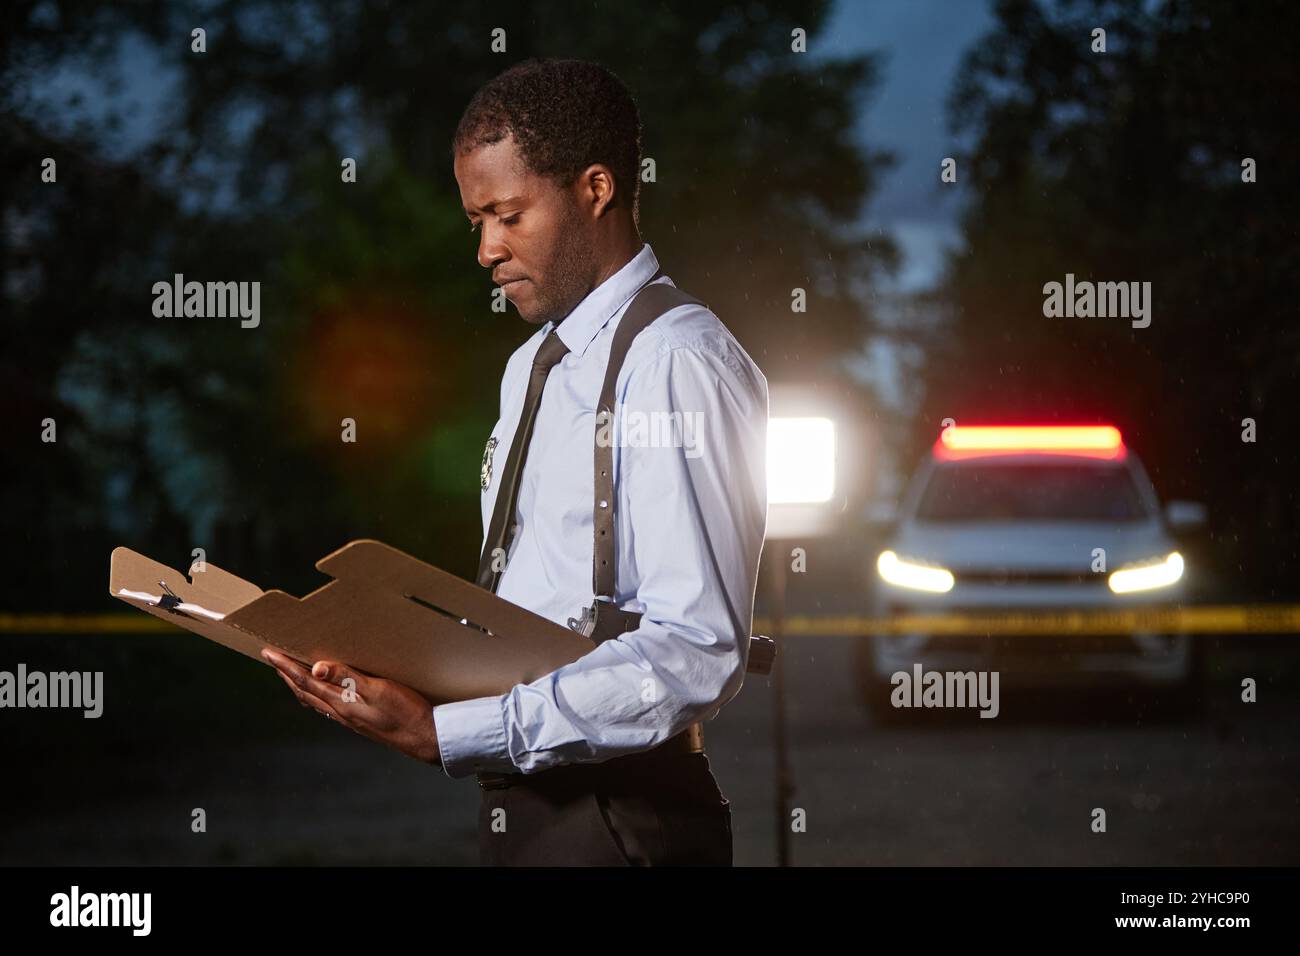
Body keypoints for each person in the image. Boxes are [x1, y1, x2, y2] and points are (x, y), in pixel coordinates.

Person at [263, 57, 768, 866]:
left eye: (508, 214)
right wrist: (395, 673)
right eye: (476, 223)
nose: (486, 250)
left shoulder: (677, 361)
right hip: (527, 803)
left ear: (595, 189)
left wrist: (450, 733)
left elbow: (693, 649)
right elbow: (542, 600)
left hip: (624, 815)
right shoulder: (533, 365)